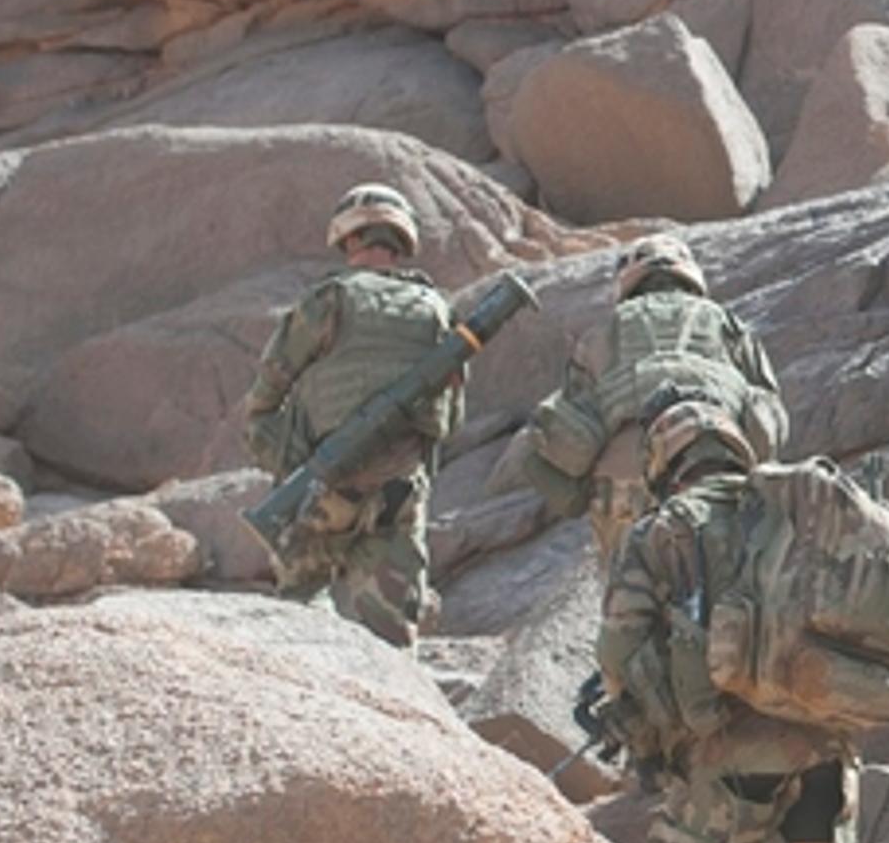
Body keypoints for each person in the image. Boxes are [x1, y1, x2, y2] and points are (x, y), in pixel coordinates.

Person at [596, 401, 871, 843]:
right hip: (820, 766)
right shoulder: (800, 516)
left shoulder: (659, 533)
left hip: (722, 775)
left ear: (668, 466)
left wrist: (649, 736)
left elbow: (619, 653)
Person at [239, 183, 462, 646]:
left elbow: (270, 386)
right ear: (401, 239)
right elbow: (451, 416)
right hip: (401, 487)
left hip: (327, 482)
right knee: (392, 632)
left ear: (350, 239)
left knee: (301, 606)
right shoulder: (436, 309)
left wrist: (278, 450)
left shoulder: (330, 299)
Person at [515, 234, 790, 560]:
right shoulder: (729, 326)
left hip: (625, 475)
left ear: (629, 281)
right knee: (724, 577)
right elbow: (769, 413)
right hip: (714, 463)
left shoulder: (603, 332)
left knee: (631, 586)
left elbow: (569, 422)